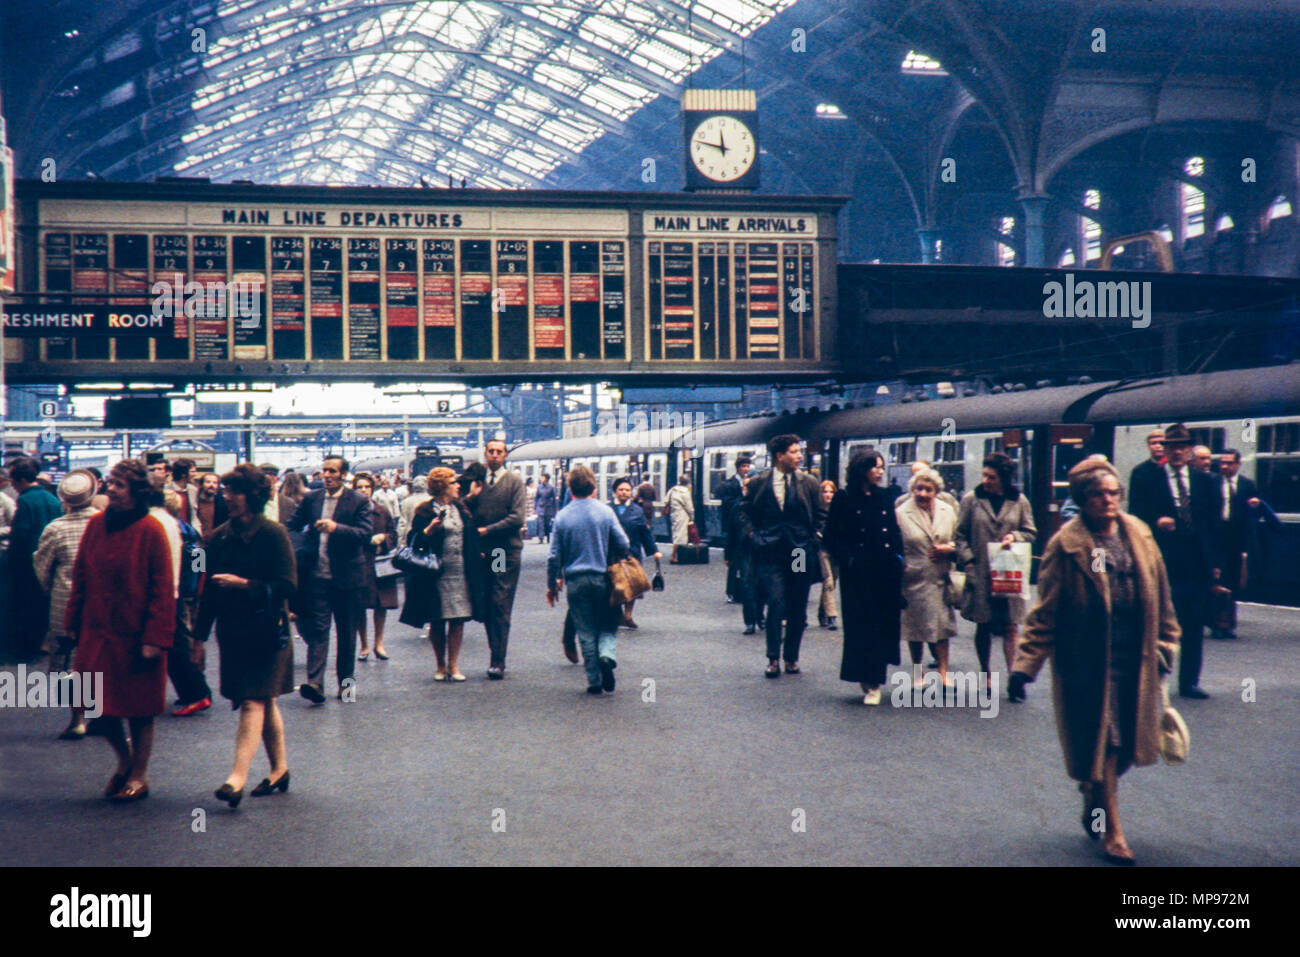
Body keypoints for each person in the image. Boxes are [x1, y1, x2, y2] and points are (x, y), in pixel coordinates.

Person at [1009, 458, 1180, 865]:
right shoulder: (1065, 546)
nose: (1108, 500)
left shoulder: (1139, 533)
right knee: (1108, 741)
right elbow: (1044, 613)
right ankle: (1114, 833)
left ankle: (1093, 795)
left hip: (1137, 658)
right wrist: (1024, 666)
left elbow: (1162, 593)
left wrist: (1167, 642)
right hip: (1088, 664)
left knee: (1126, 753)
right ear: (1082, 500)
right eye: (1098, 494)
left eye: (1113, 493)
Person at [66, 460, 177, 802]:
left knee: (139, 707)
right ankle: (124, 761)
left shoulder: (152, 529)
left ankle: (139, 776)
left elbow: (163, 588)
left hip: (136, 634)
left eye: (119, 485)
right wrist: (71, 624)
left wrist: (155, 638)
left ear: (137, 492)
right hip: (97, 630)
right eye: (110, 483)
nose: (110, 489)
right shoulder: (96, 525)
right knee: (93, 701)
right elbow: (81, 575)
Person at [195, 464, 297, 809]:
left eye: (235, 492)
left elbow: (287, 585)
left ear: (253, 496)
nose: (228, 498)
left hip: (267, 629)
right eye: (226, 491)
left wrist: (247, 586)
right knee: (264, 698)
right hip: (233, 631)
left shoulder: (273, 534)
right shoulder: (217, 537)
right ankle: (279, 769)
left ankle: (235, 779)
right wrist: (198, 638)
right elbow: (206, 590)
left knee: (253, 700)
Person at [1127, 423, 1220, 699]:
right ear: (1164, 450)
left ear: (1190, 451)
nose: (1177, 452)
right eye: (1172, 447)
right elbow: (1135, 518)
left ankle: (1189, 681)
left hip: (1196, 562)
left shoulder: (1205, 480)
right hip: (1162, 560)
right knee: (1156, 622)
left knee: (1193, 624)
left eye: (1182, 447)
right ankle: (1154, 678)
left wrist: (1216, 564)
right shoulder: (1145, 477)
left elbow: (1214, 524)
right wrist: (1157, 524)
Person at [739, 434, 828, 678]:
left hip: (799, 551)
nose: (799, 456)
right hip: (770, 550)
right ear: (780, 456)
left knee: (798, 604)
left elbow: (821, 513)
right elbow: (744, 511)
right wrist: (752, 536)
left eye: (800, 451)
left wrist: (815, 538)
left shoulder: (808, 482)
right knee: (776, 602)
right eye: (794, 452)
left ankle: (791, 657)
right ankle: (772, 659)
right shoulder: (760, 483)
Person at [286, 455, 372, 703]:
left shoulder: (358, 501)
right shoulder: (312, 499)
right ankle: (315, 683)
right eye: (324, 470)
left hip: (347, 579)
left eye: (333, 471)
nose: (327, 475)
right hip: (317, 577)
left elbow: (365, 534)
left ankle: (347, 687)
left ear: (344, 474)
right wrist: (300, 548)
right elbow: (292, 526)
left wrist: (337, 528)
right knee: (318, 631)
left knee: (347, 636)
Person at [824, 450, 903, 704]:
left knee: (881, 625)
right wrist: (849, 559)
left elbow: (893, 530)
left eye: (882, 467)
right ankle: (866, 678)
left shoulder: (885, 496)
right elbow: (832, 536)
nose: (880, 472)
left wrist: (898, 557)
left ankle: (875, 680)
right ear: (862, 469)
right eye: (875, 467)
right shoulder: (844, 498)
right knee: (861, 626)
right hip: (858, 574)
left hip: (885, 571)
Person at [955, 452, 1037, 695]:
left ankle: (1014, 678)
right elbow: (959, 536)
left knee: (1011, 625)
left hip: (1009, 572)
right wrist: (968, 562)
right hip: (980, 571)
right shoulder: (972, 499)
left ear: (1004, 478)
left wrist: (1016, 537)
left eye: (991, 476)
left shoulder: (1020, 501)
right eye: (984, 475)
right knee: (984, 625)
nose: (986, 480)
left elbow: (1031, 531)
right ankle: (986, 674)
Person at [547, 465, 629, 695]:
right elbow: (623, 543)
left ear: (570, 487)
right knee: (608, 623)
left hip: (575, 581)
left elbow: (554, 556)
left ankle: (594, 680)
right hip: (602, 577)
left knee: (585, 630)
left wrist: (552, 583)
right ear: (593, 485)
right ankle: (607, 655)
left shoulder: (562, 516)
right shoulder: (605, 512)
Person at [33, 470, 101, 739]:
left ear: (65, 499)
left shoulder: (56, 528)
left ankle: (77, 717)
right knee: (98, 656)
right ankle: (101, 713)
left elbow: (41, 567)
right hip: (101, 602)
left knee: (69, 661)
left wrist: (50, 589)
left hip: (65, 602)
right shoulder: (104, 523)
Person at [399, 467, 485, 681]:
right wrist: (429, 531)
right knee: (437, 618)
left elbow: (471, 534)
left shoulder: (461, 508)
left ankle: (453, 665)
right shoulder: (424, 511)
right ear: (441, 487)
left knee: (458, 619)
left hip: (460, 570)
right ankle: (440, 665)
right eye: (453, 483)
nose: (458, 486)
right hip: (436, 572)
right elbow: (413, 541)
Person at [897, 468, 958, 687]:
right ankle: (918, 671)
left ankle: (943, 672)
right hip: (913, 577)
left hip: (940, 576)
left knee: (942, 629)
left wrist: (950, 548)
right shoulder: (902, 512)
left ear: (936, 491)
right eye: (918, 489)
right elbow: (896, 545)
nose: (922, 493)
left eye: (928, 489)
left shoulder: (948, 510)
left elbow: (959, 538)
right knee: (915, 628)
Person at [470, 439, 525, 680]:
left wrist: (487, 530)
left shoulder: (514, 482)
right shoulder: (477, 482)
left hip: (503, 551)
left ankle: (497, 660)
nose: (494, 455)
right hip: (482, 551)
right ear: (485, 454)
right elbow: (463, 511)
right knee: (484, 601)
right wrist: (471, 497)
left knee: (499, 600)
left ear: (505, 456)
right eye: (490, 451)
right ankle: (495, 651)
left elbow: (517, 518)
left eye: (499, 452)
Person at [7, 455, 65, 660]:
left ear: (22, 480)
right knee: (43, 606)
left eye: (13, 481)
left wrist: (10, 559)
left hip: (27, 564)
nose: (12, 486)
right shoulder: (52, 499)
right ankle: (43, 644)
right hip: (51, 563)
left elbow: (20, 534)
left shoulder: (25, 500)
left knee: (24, 606)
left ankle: (26, 648)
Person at [162, 490, 213, 717]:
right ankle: (191, 691)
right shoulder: (188, 529)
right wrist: (197, 588)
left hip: (174, 594)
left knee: (178, 644)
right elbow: (200, 560)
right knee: (180, 642)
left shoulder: (167, 531)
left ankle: (197, 692)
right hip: (187, 593)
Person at [350, 472, 398, 661]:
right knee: (359, 605)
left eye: (366, 487)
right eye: (359, 487)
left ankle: (379, 643)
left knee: (381, 605)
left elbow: (393, 534)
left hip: (380, 565)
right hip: (359, 564)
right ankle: (364, 645)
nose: (363, 490)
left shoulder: (382, 511)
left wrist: (384, 539)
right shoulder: (350, 513)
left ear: (372, 489)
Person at [1212, 449, 1258, 640]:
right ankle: (1215, 622)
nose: (1225, 466)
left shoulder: (1248, 485)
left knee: (1232, 580)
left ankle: (1228, 623)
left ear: (1238, 464)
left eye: (1229, 463)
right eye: (1222, 462)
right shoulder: (1212, 482)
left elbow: (1253, 516)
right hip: (1216, 535)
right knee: (1217, 580)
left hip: (1236, 538)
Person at [611, 477, 660, 628]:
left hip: (632, 553)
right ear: (615, 492)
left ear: (631, 492)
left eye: (627, 490)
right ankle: (618, 614)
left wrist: (654, 551)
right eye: (621, 490)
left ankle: (628, 615)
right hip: (612, 554)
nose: (624, 493)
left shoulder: (637, 511)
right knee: (616, 586)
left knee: (633, 585)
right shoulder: (607, 510)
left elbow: (645, 533)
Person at [718, 455, 752, 603]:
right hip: (735, 525)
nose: (746, 469)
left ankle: (743, 591)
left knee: (745, 565)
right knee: (735, 563)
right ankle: (732, 591)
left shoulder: (750, 482)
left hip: (744, 526)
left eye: (747, 466)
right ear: (738, 467)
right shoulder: (730, 484)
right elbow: (726, 504)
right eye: (743, 466)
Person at [816, 479, 840, 629]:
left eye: (831, 492)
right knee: (828, 580)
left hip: (835, 551)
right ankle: (832, 615)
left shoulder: (838, 511)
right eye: (825, 491)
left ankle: (822, 612)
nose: (828, 495)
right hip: (822, 549)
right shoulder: (817, 510)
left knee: (831, 583)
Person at [665, 474, 694, 562]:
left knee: (676, 533)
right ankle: (674, 556)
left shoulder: (673, 489)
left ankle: (678, 555)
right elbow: (689, 507)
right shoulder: (685, 492)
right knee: (680, 535)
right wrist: (692, 517)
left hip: (674, 514)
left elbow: (666, 500)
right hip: (683, 515)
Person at [168, 458, 201, 535]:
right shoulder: (165, 490)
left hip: (190, 533)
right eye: (192, 471)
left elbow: (194, 514)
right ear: (183, 474)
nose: (195, 474)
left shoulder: (193, 490)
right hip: (172, 532)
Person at [195, 471, 229, 544]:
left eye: (215, 483)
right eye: (208, 482)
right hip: (197, 543)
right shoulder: (195, 501)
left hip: (215, 543)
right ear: (201, 484)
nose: (211, 485)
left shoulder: (222, 503)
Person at [398, 475, 430, 548]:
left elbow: (402, 523)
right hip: (429, 535)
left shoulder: (406, 502)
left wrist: (400, 542)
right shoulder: (431, 501)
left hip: (411, 536)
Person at [534, 472, 558, 543]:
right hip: (540, 507)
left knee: (547, 523)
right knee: (540, 523)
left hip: (548, 508)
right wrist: (535, 507)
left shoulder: (551, 487)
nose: (541, 479)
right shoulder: (539, 487)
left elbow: (554, 498)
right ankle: (540, 538)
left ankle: (547, 536)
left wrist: (556, 508)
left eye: (543, 477)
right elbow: (536, 497)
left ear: (546, 479)